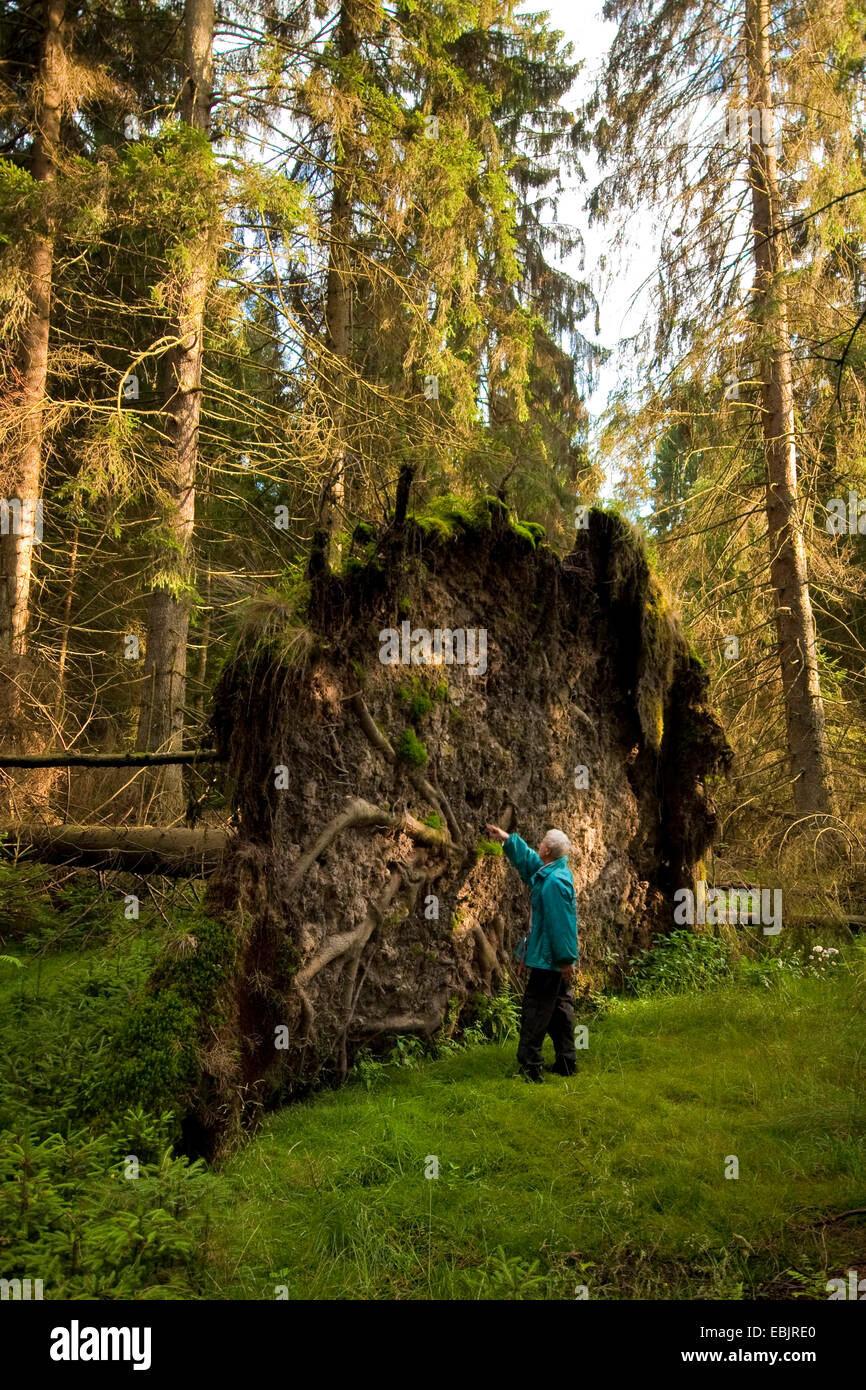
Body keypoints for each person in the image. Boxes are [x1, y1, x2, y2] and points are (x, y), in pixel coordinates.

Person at [485, 823, 578, 1083]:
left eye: (542, 842)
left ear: (547, 850)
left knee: (535, 1011)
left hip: (549, 960)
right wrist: (507, 839)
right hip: (551, 958)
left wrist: (565, 959)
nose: (538, 844)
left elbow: (562, 925)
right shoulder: (551, 872)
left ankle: (531, 1067)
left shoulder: (553, 884)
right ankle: (566, 1062)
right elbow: (529, 863)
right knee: (559, 1009)